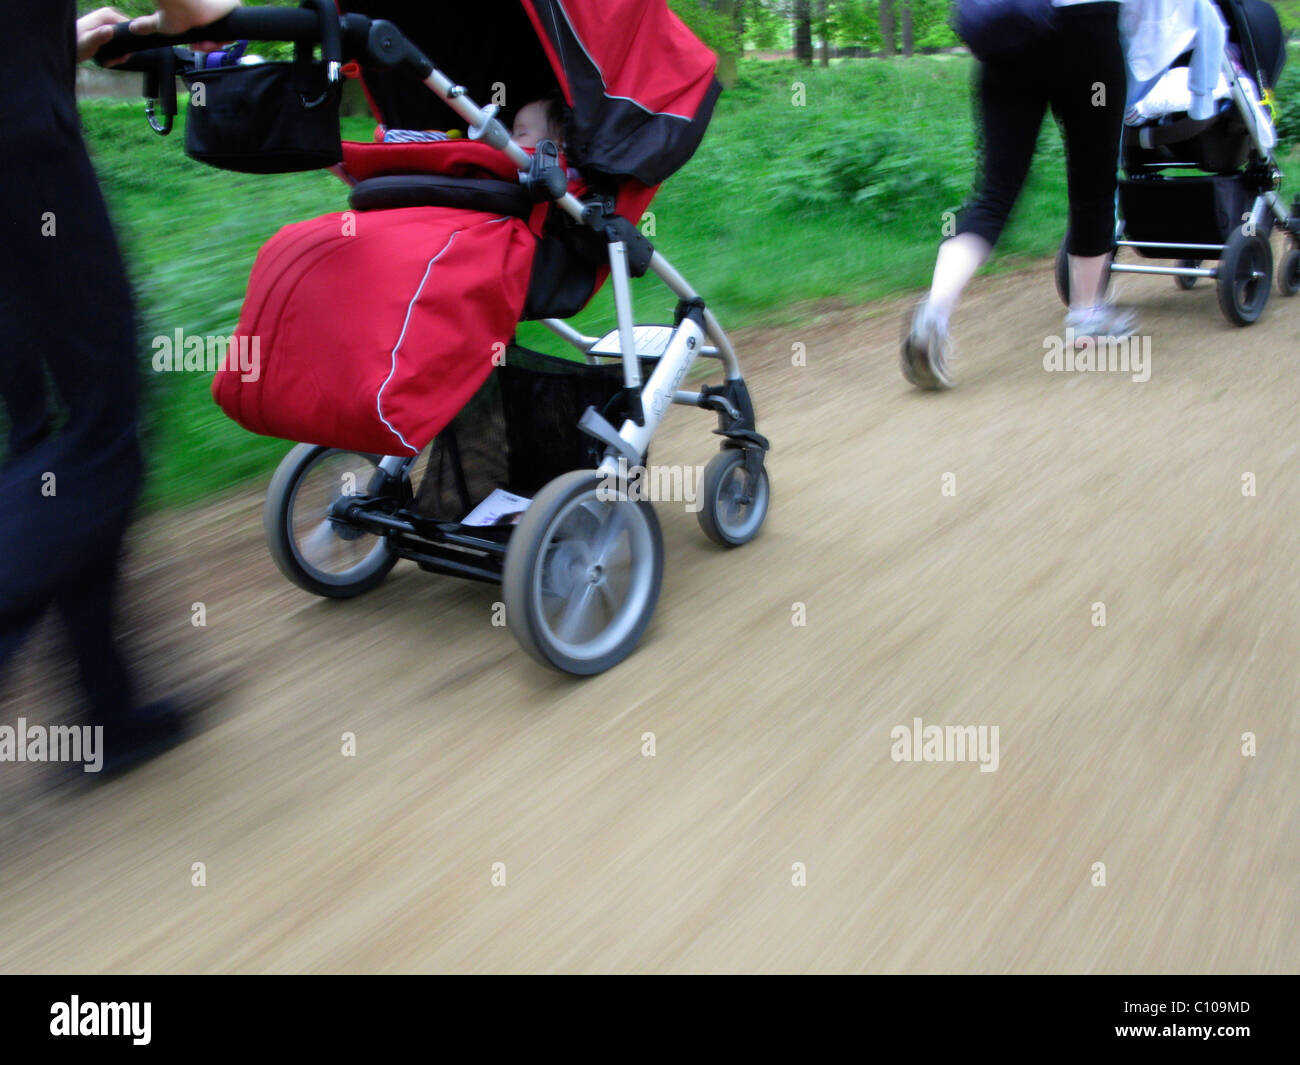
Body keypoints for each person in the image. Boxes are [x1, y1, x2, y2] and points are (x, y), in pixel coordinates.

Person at [0, 0, 239, 779]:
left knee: (45, 435)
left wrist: (50, 44)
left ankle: (107, 711)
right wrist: (201, 21)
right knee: (107, 433)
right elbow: (190, 10)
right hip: (25, 150)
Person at [901, 0, 1133, 390]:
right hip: (1089, 31)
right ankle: (1087, 316)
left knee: (994, 193)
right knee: (1093, 183)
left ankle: (936, 311)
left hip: (1008, 25)